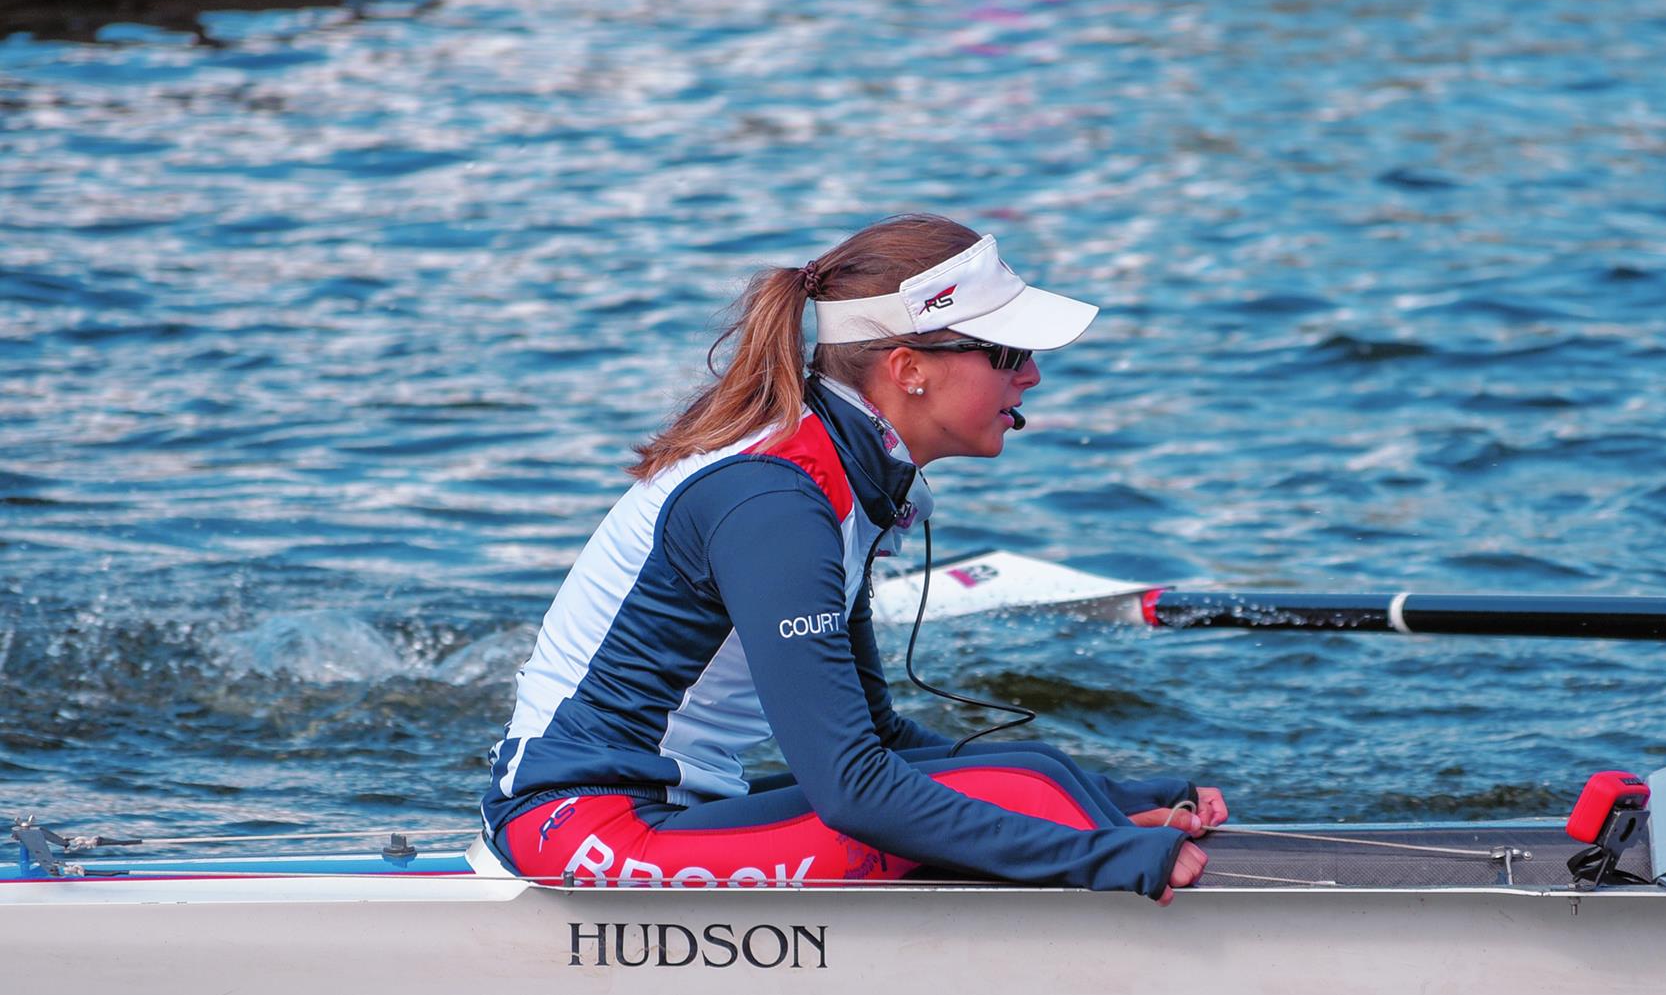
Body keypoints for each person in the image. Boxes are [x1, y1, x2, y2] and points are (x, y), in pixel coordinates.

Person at [481, 213, 1228, 902]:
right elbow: (852, 788)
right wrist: (1099, 856)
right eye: (1008, 353)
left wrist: (1103, 791)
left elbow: (881, 738)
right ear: (908, 369)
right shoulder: (774, 503)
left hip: (661, 809)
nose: (1030, 375)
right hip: (578, 830)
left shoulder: (840, 470)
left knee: (1040, 775)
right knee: (1025, 792)